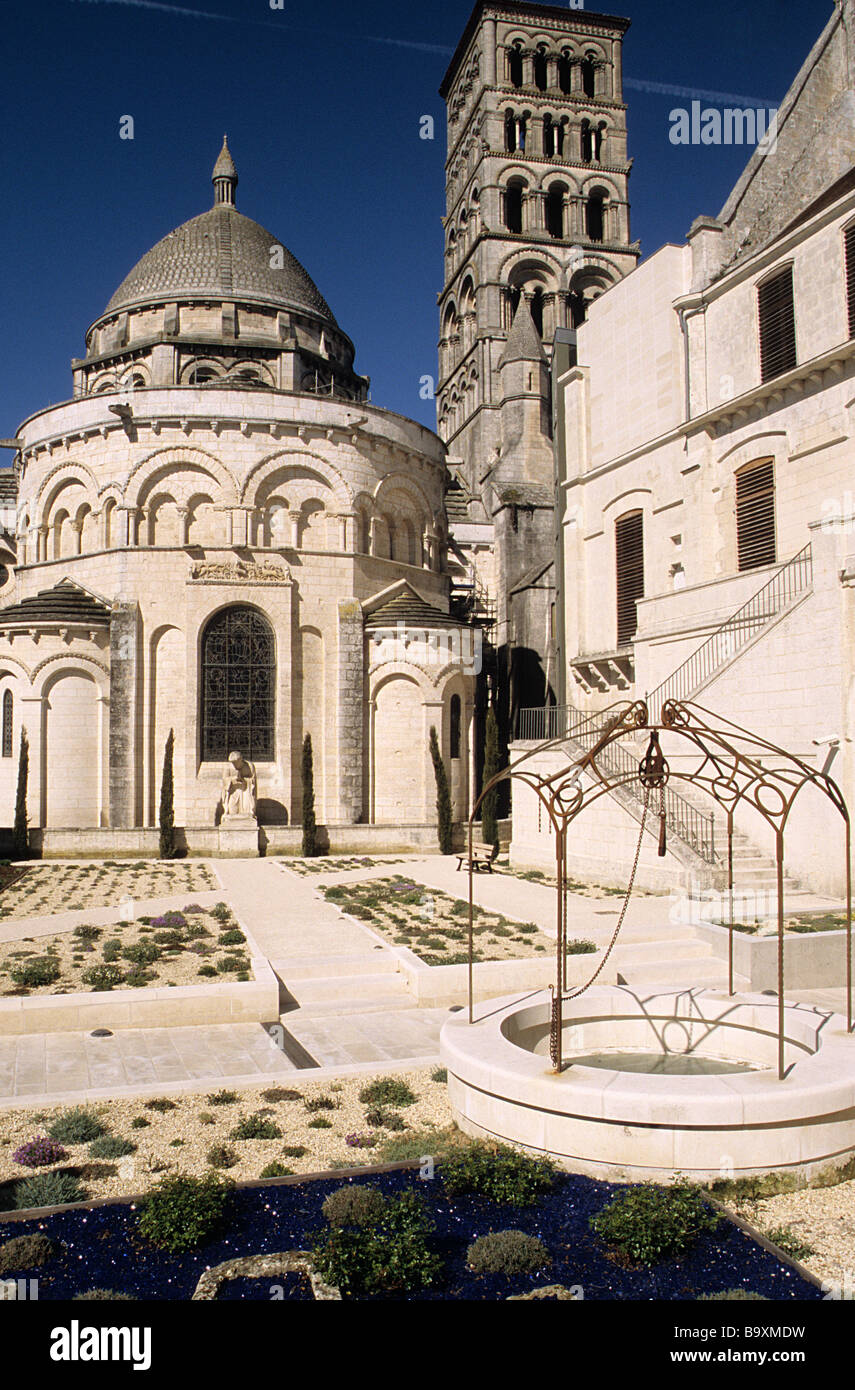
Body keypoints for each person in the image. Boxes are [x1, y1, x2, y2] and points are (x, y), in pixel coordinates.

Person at [221, 750, 257, 819]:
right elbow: (225, 780)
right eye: (232, 763)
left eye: (235, 762)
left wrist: (244, 780)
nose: (234, 764)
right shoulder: (228, 767)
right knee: (232, 810)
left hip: (246, 791)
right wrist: (233, 779)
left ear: (241, 760)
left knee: (247, 811)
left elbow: (253, 780)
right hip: (233, 791)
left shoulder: (249, 766)